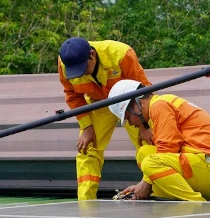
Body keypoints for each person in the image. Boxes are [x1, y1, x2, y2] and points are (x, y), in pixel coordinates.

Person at [107, 79, 210, 202]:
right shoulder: (160, 105)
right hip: (206, 168)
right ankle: (158, 193)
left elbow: (168, 149)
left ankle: (196, 203)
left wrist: (145, 183)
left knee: (150, 162)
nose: (131, 123)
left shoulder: (159, 105)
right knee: (144, 152)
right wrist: (143, 186)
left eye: (128, 117)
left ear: (137, 103)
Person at [58, 38, 151, 199]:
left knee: (148, 142)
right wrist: (87, 127)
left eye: (83, 67)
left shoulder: (121, 54)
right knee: (87, 148)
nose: (82, 73)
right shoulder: (65, 63)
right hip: (98, 104)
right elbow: (72, 95)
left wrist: (144, 126)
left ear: (92, 54)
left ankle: (152, 188)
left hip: (130, 104)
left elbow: (144, 92)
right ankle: (86, 202)